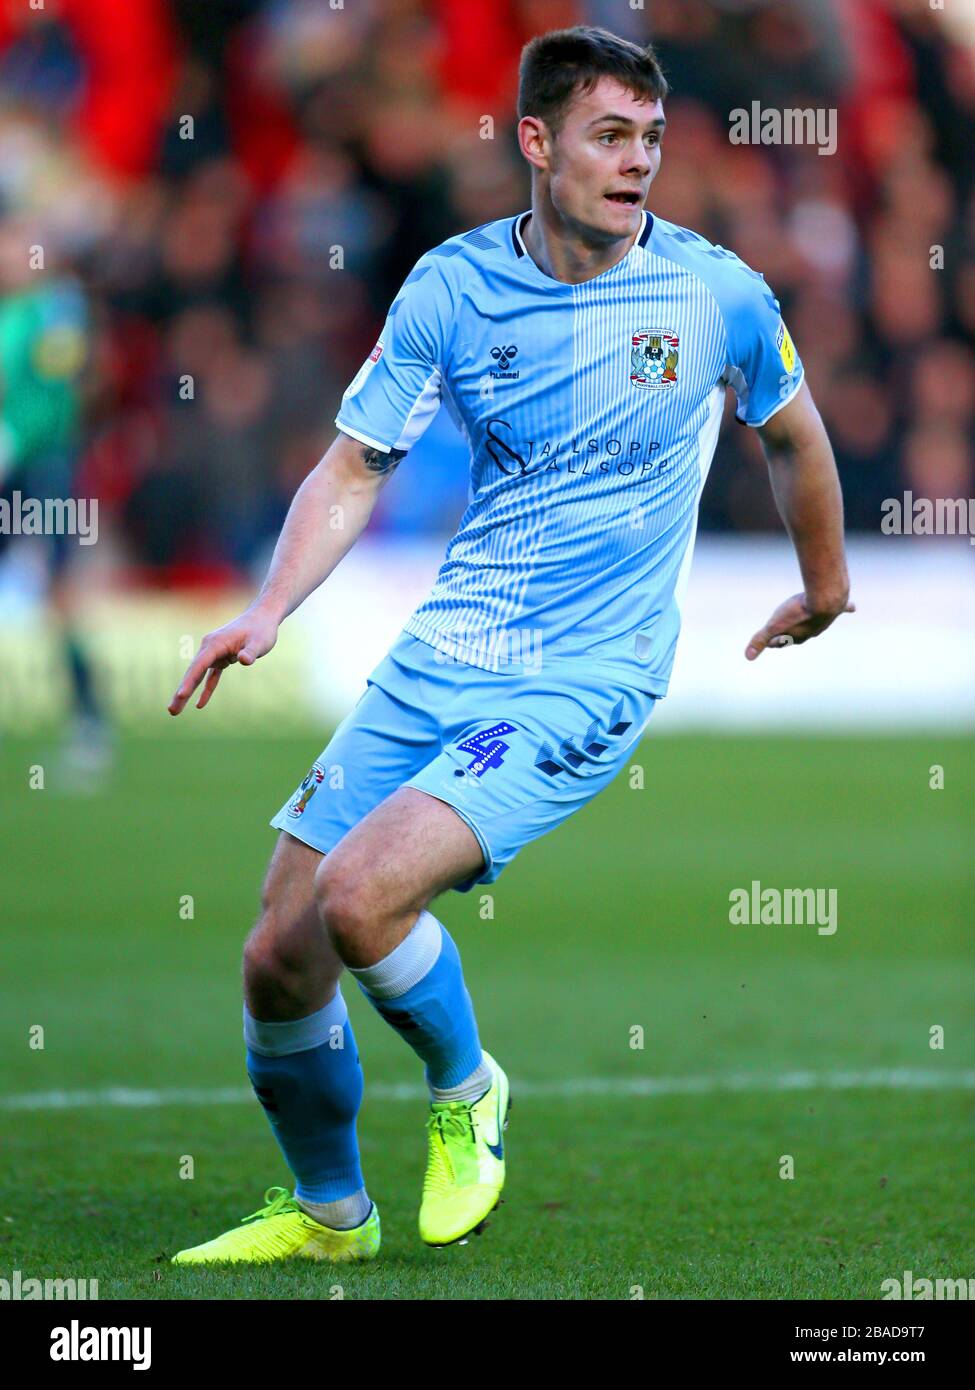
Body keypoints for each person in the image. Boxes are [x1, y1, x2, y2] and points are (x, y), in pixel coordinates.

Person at [167, 25, 853, 1265]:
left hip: (588, 672)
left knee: (363, 894)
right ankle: (332, 1217)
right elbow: (353, 466)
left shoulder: (715, 294)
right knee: (279, 952)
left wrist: (826, 587)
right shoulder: (450, 286)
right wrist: (269, 609)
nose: (638, 161)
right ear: (535, 142)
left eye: (650, 138)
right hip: (447, 651)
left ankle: (468, 1083)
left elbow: (796, 437)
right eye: (609, 136)